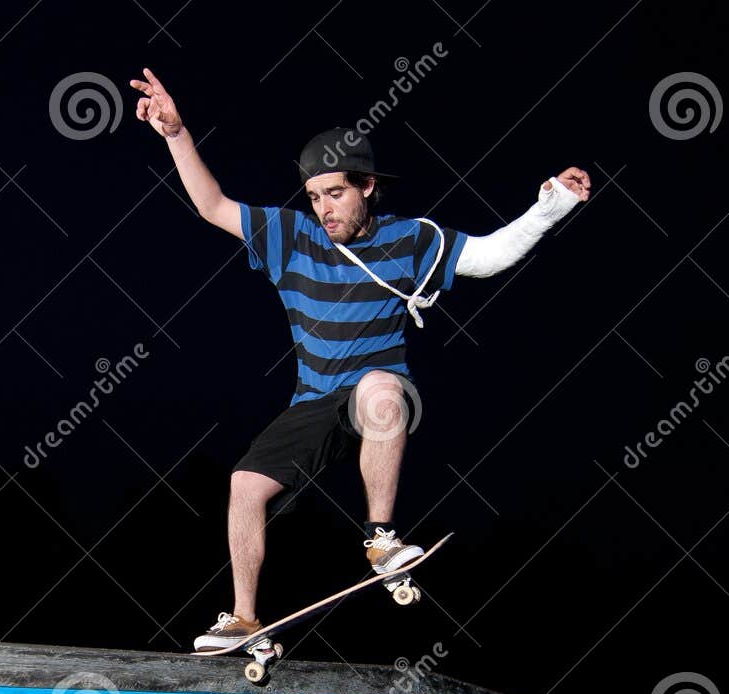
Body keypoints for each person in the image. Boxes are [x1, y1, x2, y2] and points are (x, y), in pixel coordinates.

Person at [129, 68, 589, 651]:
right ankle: (246, 622)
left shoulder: (411, 240)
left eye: (337, 194)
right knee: (245, 485)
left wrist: (549, 210)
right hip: (315, 401)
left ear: (367, 186)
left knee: (379, 386)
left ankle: (380, 538)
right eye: (316, 197)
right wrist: (175, 133)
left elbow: (491, 256)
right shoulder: (291, 236)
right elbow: (212, 204)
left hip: (377, 403)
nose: (325, 209)